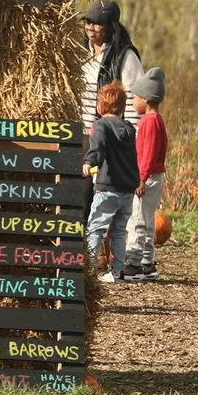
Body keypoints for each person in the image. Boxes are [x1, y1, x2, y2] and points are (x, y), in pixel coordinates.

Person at [86, 82, 138, 284]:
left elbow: (97, 147)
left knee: (95, 229)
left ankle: (88, 271)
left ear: (100, 107)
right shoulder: (129, 129)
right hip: (127, 190)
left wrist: (89, 162)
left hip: (107, 188)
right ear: (122, 108)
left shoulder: (101, 126)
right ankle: (117, 272)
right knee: (118, 232)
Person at [123, 67, 168, 280]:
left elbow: (148, 153)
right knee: (148, 221)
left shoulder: (149, 122)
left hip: (147, 178)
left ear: (146, 99)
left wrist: (140, 178)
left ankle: (133, 264)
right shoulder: (157, 120)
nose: (133, 102)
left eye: (135, 98)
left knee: (137, 220)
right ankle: (147, 262)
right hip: (155, 177)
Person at [79, 0, 145, 139]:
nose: (90, 27)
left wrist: (130, 140)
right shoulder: (80, 54)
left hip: (110, 139)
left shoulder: (126, 56)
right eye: (88, 22)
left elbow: (135, 102)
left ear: (111, 27)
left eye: (98, 23)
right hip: (80, 137)